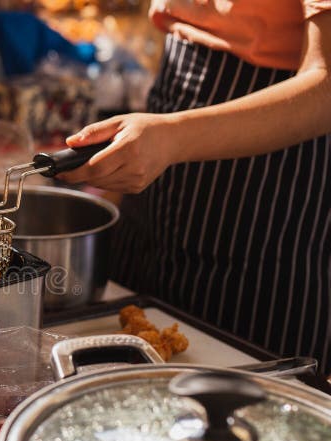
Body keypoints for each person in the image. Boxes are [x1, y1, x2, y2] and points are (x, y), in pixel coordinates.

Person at [56, 1, 331, 373]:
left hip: (263, 174)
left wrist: (173, 138)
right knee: (130, 365)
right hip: (169, 119)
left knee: (235, 379)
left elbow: (325, 85)